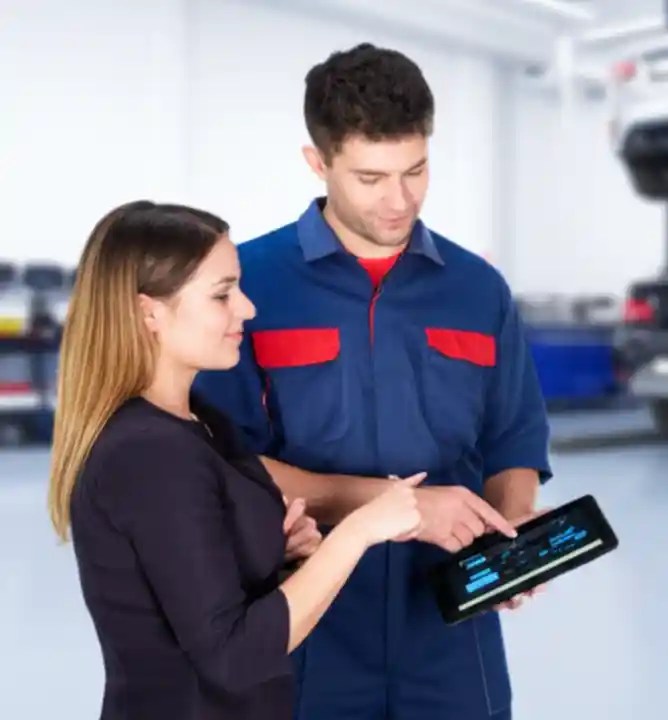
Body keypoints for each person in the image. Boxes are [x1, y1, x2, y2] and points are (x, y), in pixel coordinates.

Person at [191, 43, 554, 720]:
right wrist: (401, 508)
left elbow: (512, 440)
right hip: (304, 621)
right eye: (370, 177)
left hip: (453, 630)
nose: (399, 199)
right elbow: (221, 465)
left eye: (415, 170)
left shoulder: (478, 290)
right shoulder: (244, 285)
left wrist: (514, 531)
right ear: (318, 162)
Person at [45, 200, 489, 719]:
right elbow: (233, 656)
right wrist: (360, 529)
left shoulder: (201, 425)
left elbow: (192, 595)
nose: (248, 310)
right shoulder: (150, 453)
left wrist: (276, 562)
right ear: (150, 313)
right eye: (222, 295)